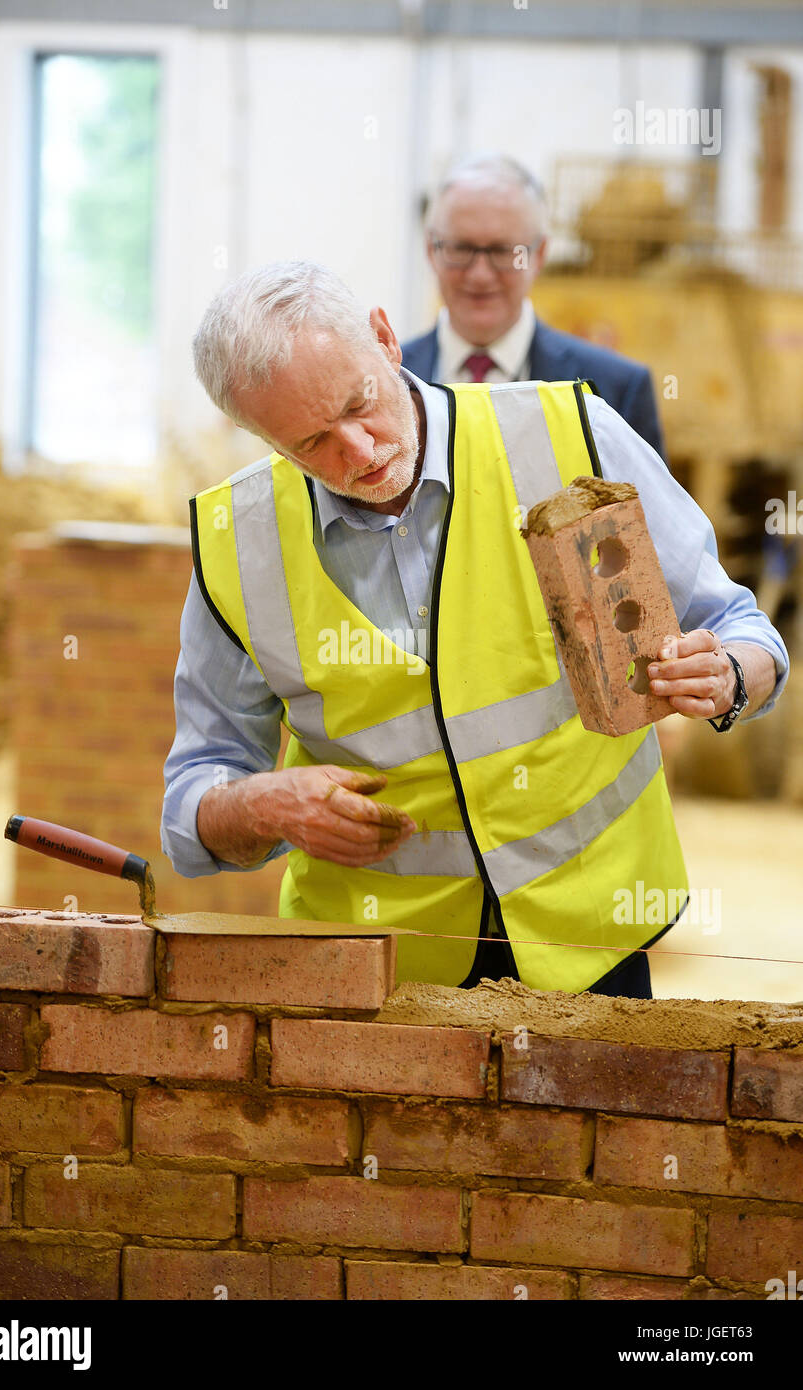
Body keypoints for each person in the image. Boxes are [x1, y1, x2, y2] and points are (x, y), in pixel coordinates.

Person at [161, 260, 788, 1000]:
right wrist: (262, 806)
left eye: (360, 403)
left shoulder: (564, 434)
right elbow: (195, 791)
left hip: (588, 942)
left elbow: (738, 624)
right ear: (254, 433)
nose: (358, 453)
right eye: (309, 443)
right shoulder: (240, 541)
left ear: (385, 337)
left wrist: (729, 677)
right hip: (377, 972)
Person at [401, 154, 666, 458]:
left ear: (539, 254)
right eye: (461, 248)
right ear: (430, 249)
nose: (480, 274)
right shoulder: (388, 380)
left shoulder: (616, 392)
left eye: (503, 251)